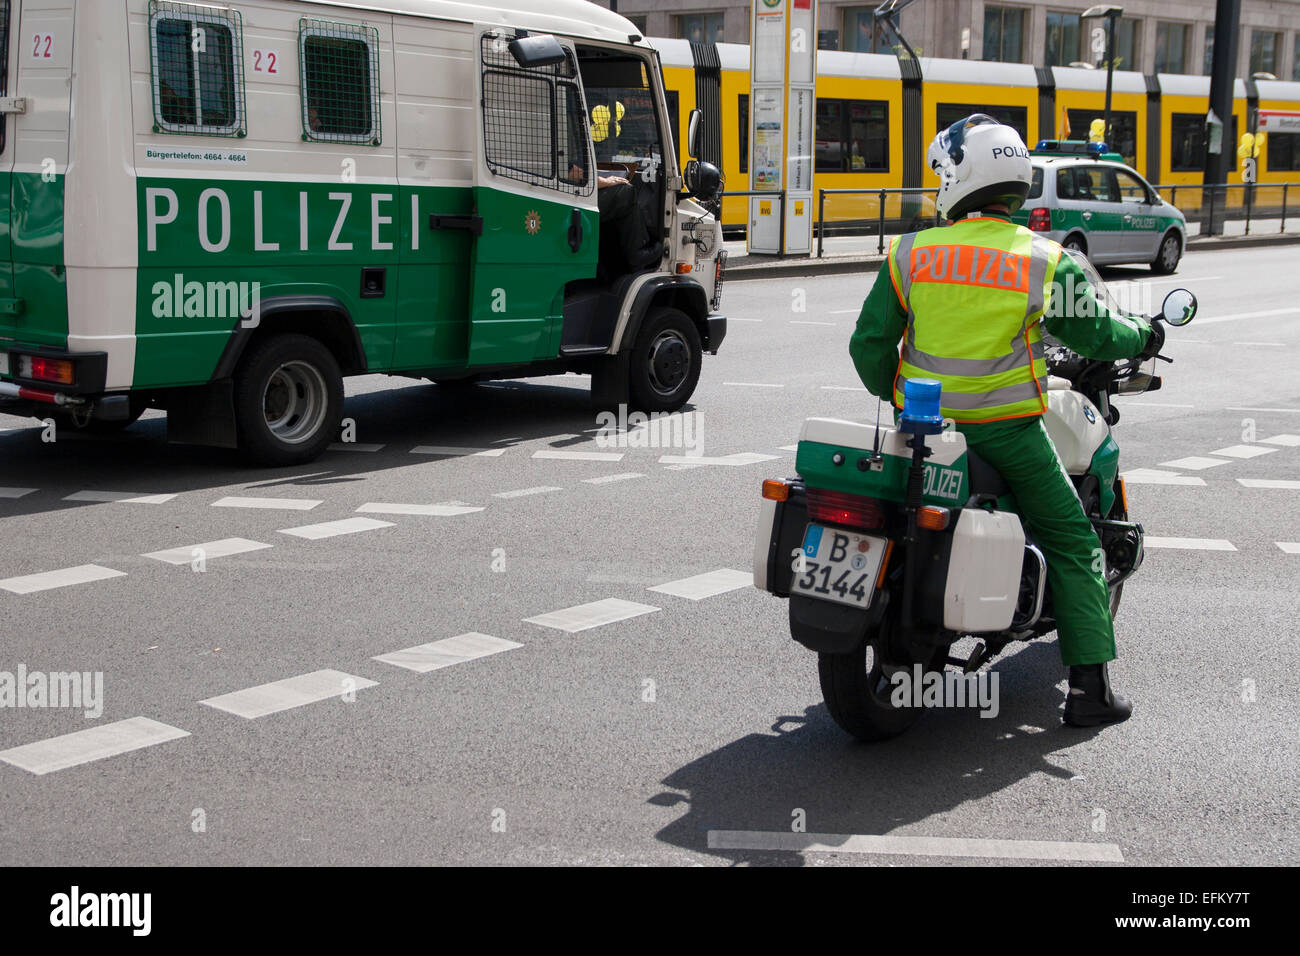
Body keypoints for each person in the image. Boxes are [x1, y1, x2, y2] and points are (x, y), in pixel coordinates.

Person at [848, 114, 1165, 728]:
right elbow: (1098, 332)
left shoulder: (911, 251)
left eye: (942, 172)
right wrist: (1145, 333)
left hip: (926, 431)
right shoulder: (1042, 259)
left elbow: (868, 343)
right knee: (1075, 541)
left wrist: (901, 394)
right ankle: (1088, 693)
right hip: (1008, 434)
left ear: (962, 180)